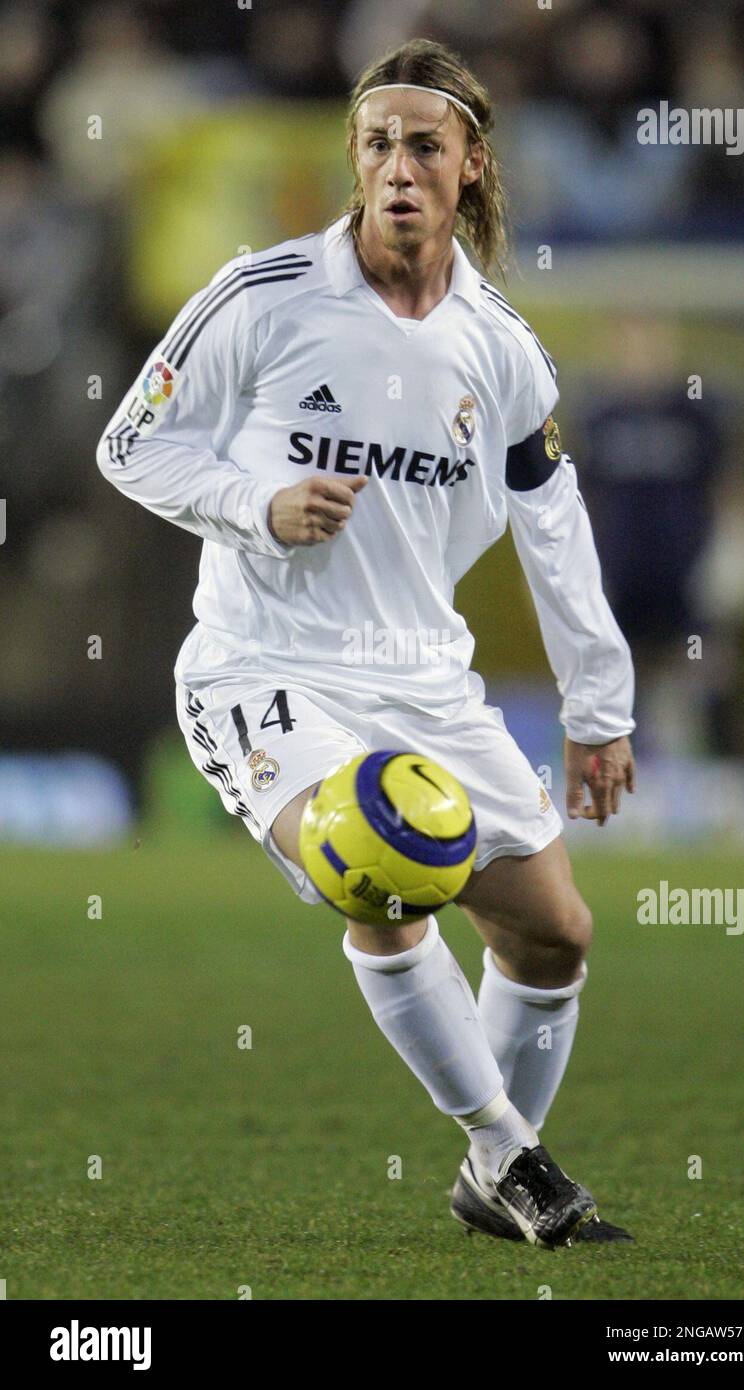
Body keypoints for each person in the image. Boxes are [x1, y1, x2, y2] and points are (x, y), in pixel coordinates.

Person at [97, 38, 636, 1249]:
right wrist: (257, 505)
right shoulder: (262, 294)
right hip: (264, 661)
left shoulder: (500, 350)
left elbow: (555, 527)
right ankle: (513, 1155)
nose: (397, 166)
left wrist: (599, 707)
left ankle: (485, 1174)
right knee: (377, 866)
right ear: (354, 158)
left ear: (471, 165)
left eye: (423, 144)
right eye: (377, 143)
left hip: (421, 675)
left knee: (555, 930)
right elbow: (129, 445)